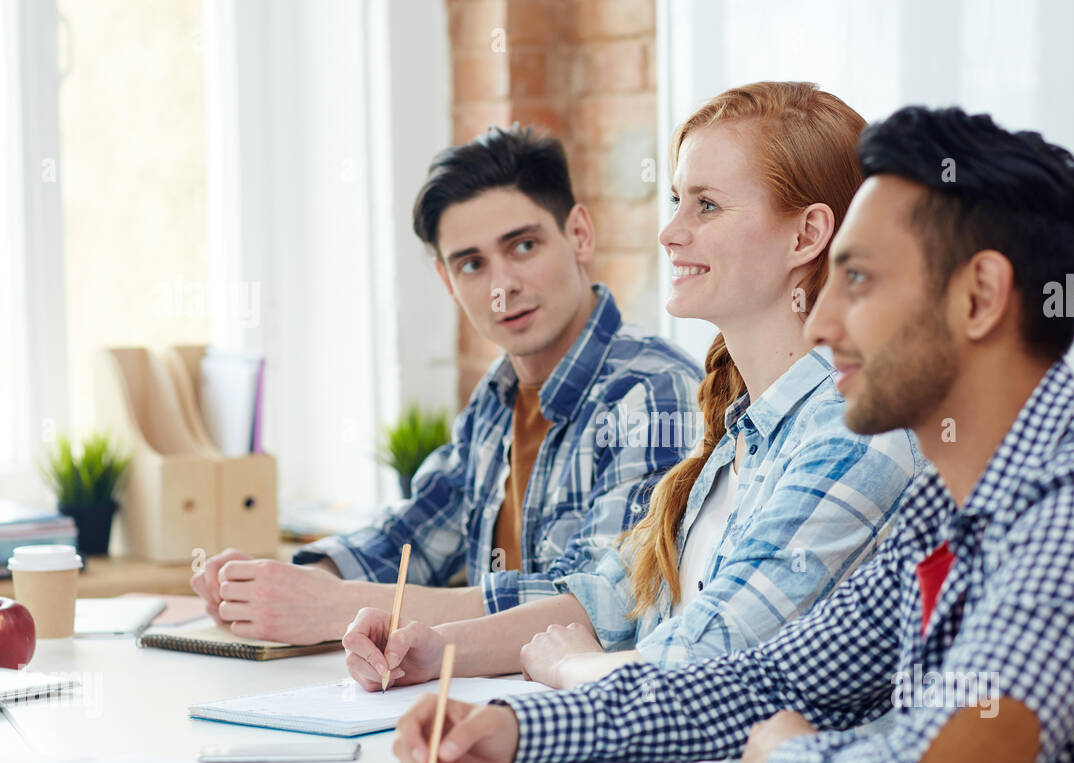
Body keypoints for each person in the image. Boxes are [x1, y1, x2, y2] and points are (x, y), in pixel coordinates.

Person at [384, 105, 1074, 763]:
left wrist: (784, 759)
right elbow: (770, 678)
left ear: (979, 298)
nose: (819, 319)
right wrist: (513, 729)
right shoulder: (953, 495)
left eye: (856, 280)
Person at [341, 82, 916, 690]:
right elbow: (609, 599)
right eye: (676, 201)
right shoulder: (742, 435)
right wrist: (435, 651)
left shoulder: (857, 429)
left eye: (707, 206)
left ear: (805, 236)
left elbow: (713, 655)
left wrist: (574, 667)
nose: (670, 232)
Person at [190, 125, 702, 645]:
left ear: (579, 235)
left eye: (523, 246)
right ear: (447, 282)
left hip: (583, 716)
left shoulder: (650, 390)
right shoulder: (497, 398)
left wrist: (346, 606)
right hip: (482, 699)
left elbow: (611, 605)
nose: (502, 288)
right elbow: (415, 534)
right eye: (472, 264)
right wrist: (290, 586)